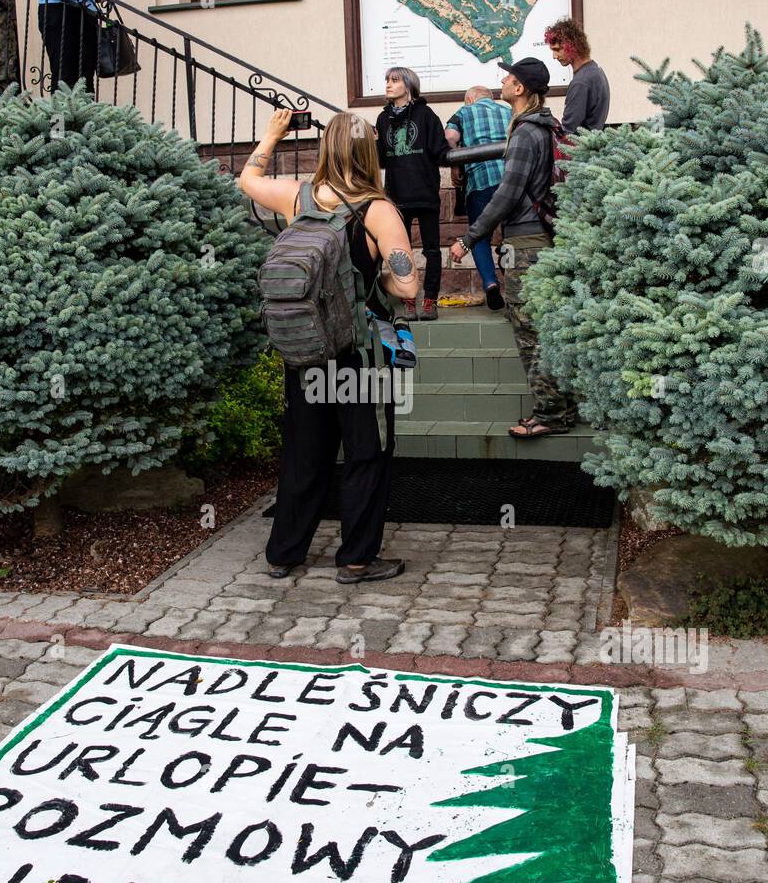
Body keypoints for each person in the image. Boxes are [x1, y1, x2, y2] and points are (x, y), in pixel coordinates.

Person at [239, 107, 420, 583]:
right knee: (366, 452)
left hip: (306, 350)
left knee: (305, 452)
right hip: (360, 356)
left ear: (326, 149)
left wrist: (271, 135)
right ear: (369, 152)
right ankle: (357, 558)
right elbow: (407, 287)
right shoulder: (377, 209)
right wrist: (369, 278)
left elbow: (247, 179)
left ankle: (284, 553)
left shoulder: (296, 198)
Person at [450, 58, 577, 439]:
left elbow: (507, 194)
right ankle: (564, 407)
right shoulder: (547, 127)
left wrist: (468, 238)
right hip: (545, 238)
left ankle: (551, 413)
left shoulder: (525, 133)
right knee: (547, 327)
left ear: (520, 89)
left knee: (529, 331)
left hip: (527, 243)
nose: (503, 80)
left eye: (509, 76)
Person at [375, 66, 448, 321]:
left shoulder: (426, 115)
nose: (388, 85)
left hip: (425, 192)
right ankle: (407, 299)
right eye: (387, 80)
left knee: (432, 251)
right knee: (400, 251)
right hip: (397, 196)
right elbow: (381, 157)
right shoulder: (383, 119)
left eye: (394, 80)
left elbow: (440, 150)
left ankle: (429, 301)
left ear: (408, 85)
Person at [445, 85, 512, 310]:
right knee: (510, 235)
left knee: (480, 236)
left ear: (471, 99)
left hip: (481, 181)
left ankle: (491, 284)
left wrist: (456, 164)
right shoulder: (509, 111)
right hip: (511, 180)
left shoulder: (464, 112)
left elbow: (450, 136)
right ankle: (514, 286)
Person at [544, 17, 610, 132]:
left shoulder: (581, 82)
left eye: (558, 49)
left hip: (581, 148)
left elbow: (569, 131)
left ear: (572, 46)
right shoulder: (596, 71)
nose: (554, 56)